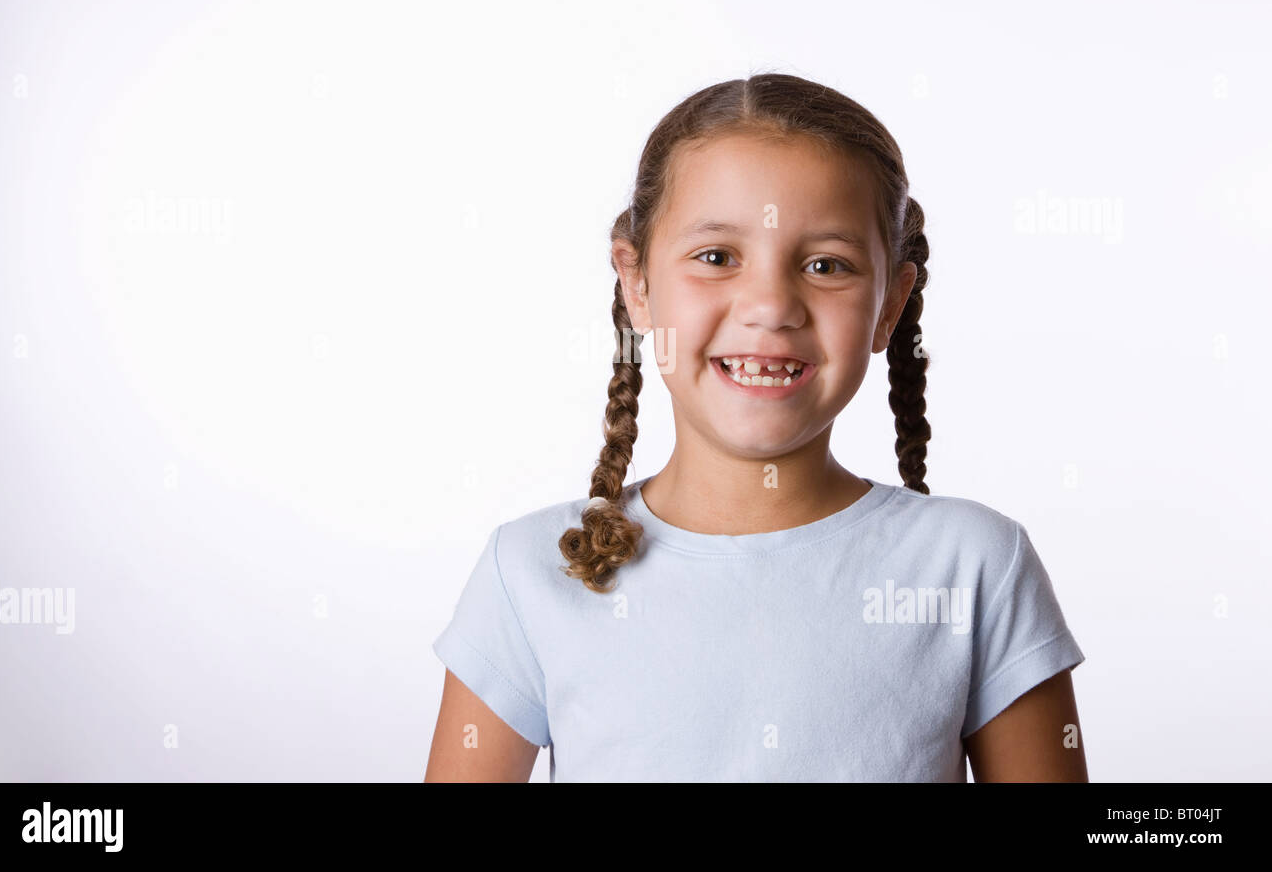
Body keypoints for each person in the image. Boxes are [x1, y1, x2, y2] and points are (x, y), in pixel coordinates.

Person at [425, 72, 1087, 782]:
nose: (771, 305)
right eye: (716, 258)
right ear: (636, 282)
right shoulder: (528, 573)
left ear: (890, 304)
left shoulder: (976, 566)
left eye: (826, 265)